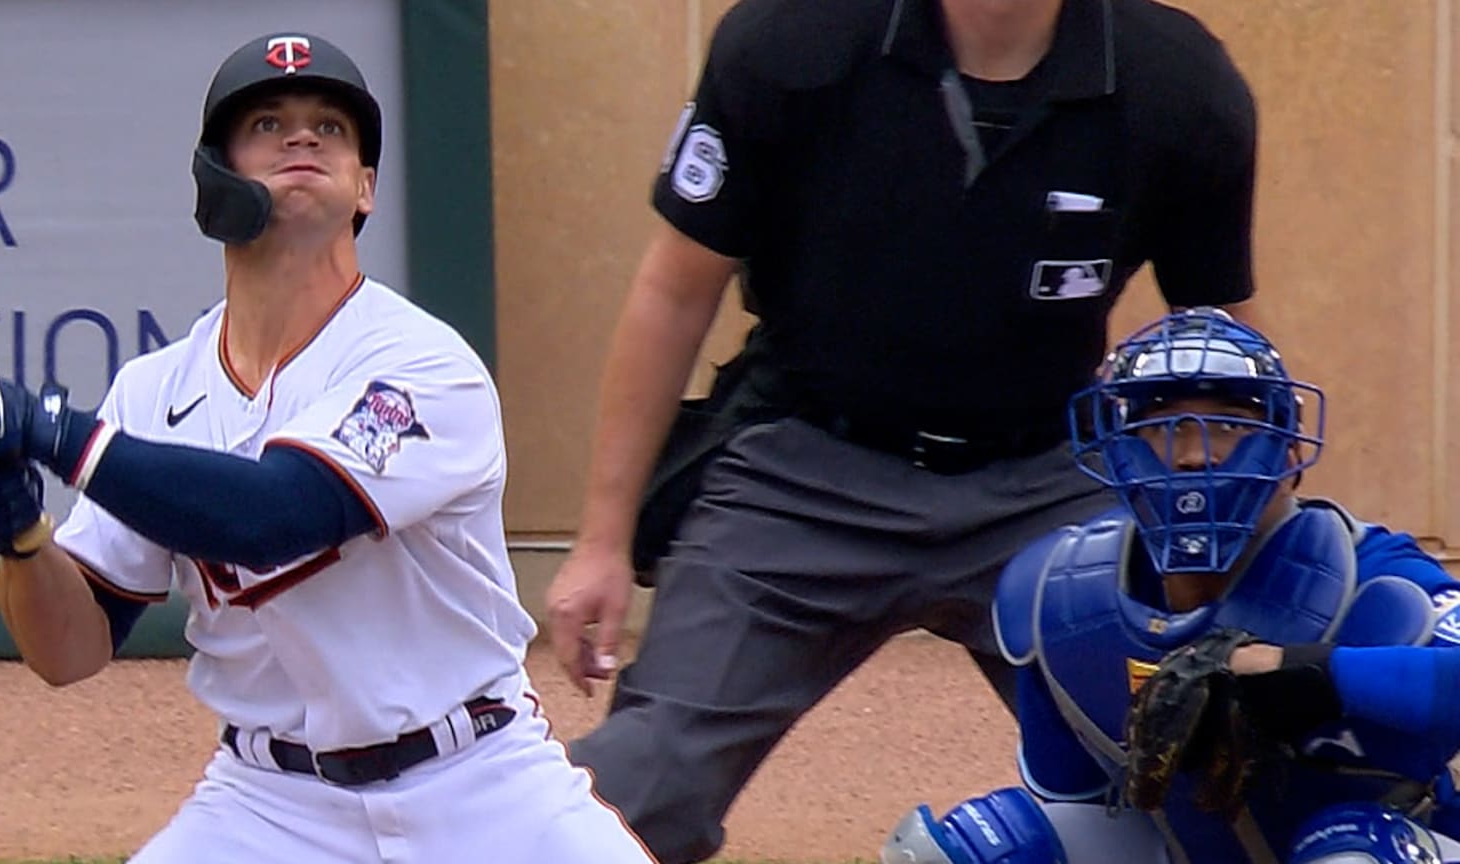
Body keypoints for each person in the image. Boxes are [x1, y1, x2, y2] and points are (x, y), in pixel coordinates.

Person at [544, 0, 1259, 860]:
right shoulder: (792, 42)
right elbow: (674, 290)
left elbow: (1227, 351)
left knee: (1201, 782)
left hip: (1049, 483)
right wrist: (600, 543)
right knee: (632, 795)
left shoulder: (1175, 82)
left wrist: (1241, 575)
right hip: (805, 472)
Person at [0, 32, 653, 864]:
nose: (304, 137)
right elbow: (69, 652)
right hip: (269, 807)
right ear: (214, 177)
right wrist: (19, 536)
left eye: (331, 128)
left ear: (365, 186)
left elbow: (275, 514)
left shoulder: (422, 364)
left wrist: (49, 430)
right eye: (268, 123)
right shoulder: (156, 392)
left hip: (483, 787)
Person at [881, 308, 1460, 864]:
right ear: (1118, 450)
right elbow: (1079, 809)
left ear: (1288, 451)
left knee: (1351, 853)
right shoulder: (1057, 596)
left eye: (1229, 426)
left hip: (1395, 844)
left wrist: (1316, 674)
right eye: (1161, 427)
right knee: (971, 849)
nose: (1191, 457)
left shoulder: (1372, 574)